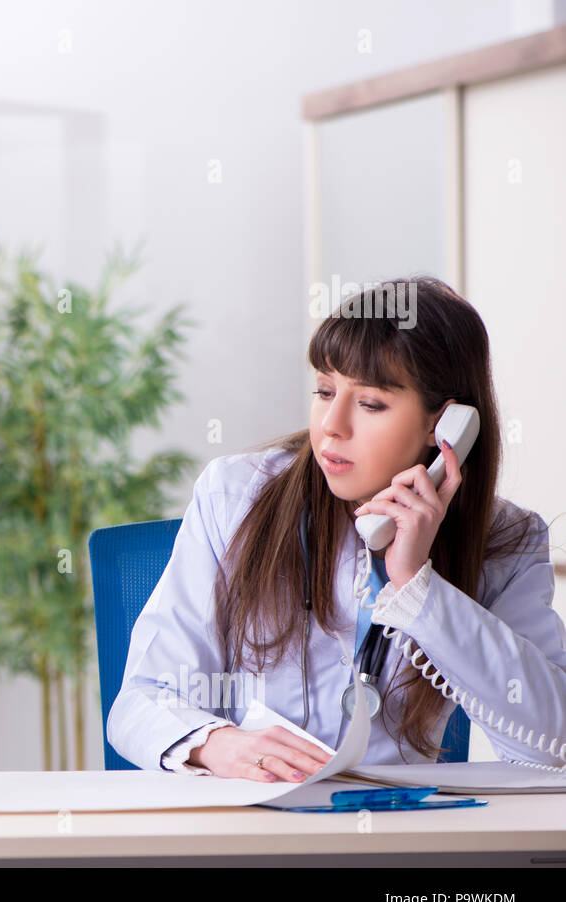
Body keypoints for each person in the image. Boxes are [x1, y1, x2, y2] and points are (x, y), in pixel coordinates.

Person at [107, 277, 566, 780]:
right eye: (325, 391)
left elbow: (552, 744)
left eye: (370, 404)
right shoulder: (234, 495)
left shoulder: (508, 540)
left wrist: (417, 587)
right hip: (254, 830)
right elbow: (141, 699)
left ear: (445, 425)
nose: (332, 425)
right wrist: (217, 744)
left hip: (399, 838)